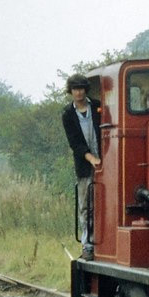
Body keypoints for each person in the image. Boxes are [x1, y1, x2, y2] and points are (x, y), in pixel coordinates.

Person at [61, 73, 102, 261]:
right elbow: (75, 143)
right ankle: (87, 244)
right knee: (86, 206)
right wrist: (90, 158)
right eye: (75, 89)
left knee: (102, 204)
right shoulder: (68, 114)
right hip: (85, 164)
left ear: (86, 89)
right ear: (71, 91)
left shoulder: (97, 106)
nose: (78, 92)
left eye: (81, 88)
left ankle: (102, 241)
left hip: (105, 159)